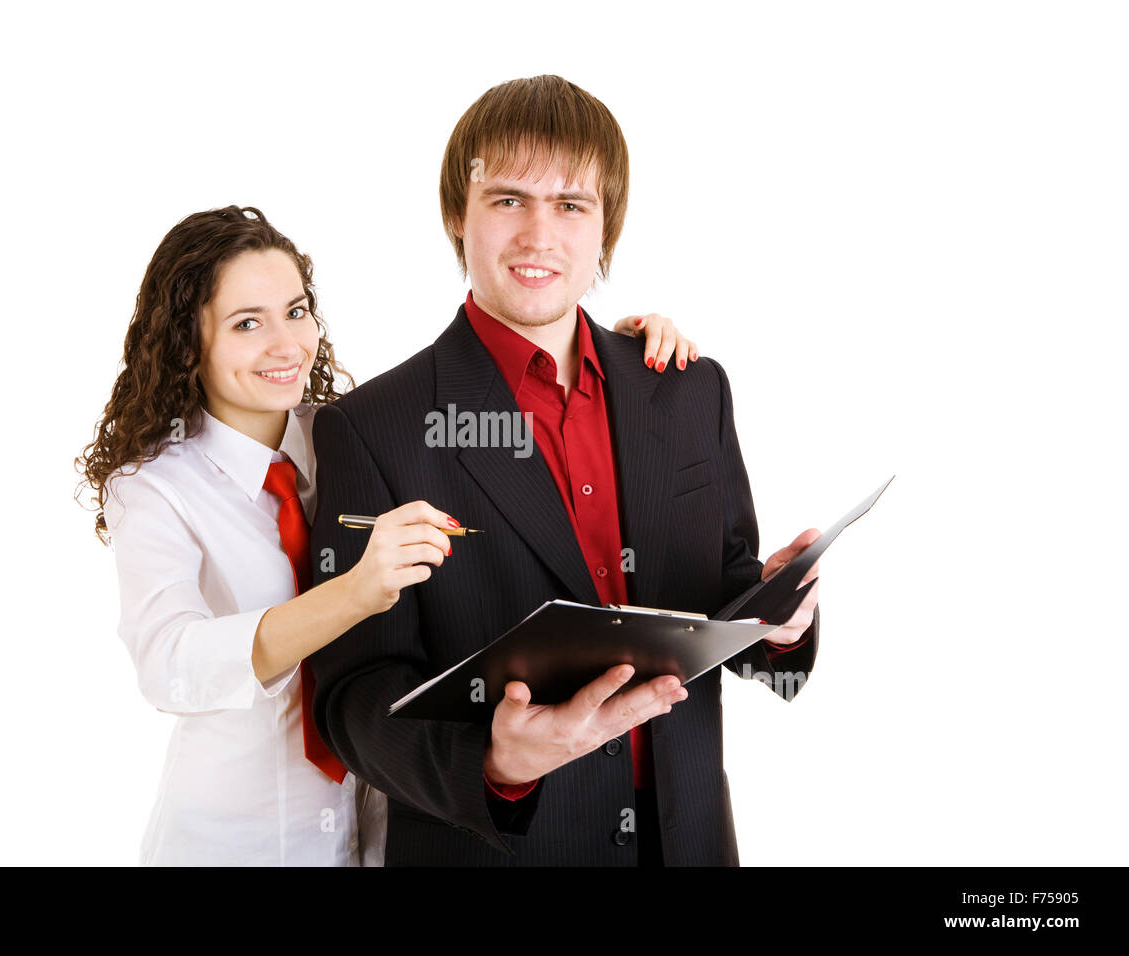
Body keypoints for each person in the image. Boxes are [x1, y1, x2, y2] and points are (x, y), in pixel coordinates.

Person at [75, 204, 703, 865]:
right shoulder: (154, 485)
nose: (286, 344)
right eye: (246, 324)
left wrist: (611, 352)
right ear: (186, 344)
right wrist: (354, 593)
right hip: (232, 840)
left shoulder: (350, 439)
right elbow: (170, 665)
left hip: (378, 835)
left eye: (295, 311)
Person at [307, 75, 823, 867]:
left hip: (688, 843)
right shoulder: (372, 429)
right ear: (458, 214)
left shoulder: (687, 389)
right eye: (508, 199)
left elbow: (722, 598)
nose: (538, 234)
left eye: (571, 205)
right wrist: (497, 764)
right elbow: (354, 695)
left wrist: (777, 619)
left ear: (605, 222)